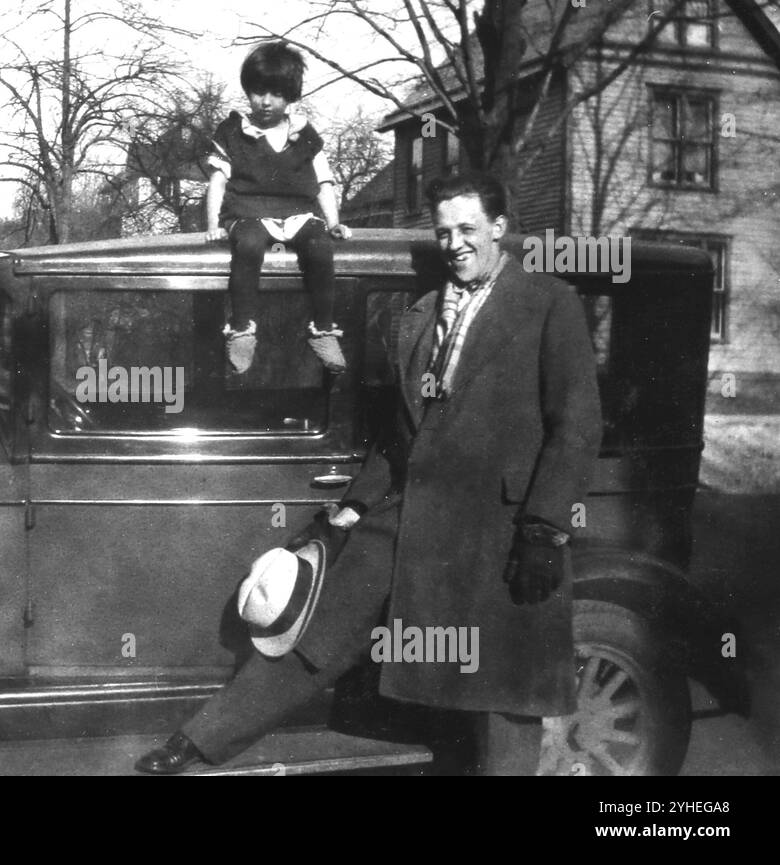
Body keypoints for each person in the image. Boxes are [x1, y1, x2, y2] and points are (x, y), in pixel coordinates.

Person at [136, 171, 603, 776]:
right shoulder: (419, 314)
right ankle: (197, 745)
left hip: (500, 528)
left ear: (499, 229)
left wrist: (544, 528)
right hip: (407, 517)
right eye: (443, 232)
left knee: (503, 693)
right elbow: (404, 434)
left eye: (468, 228)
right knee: (314, 635)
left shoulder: (548, 304)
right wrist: (349, 511)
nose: (455, 243)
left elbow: (577, 424)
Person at [206, 41, 352, 375]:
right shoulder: (233, 132)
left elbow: (324, 182)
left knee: (318, 246)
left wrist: (334, 222)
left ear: (290, 95)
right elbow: (217, 182)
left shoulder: (305, 135)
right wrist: (214, 223)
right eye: (258, 92)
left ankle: (324, 330)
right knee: (250, 244)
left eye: (276, 93)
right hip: (247, 211)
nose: (266, 101)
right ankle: (242, 329)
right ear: (248, 91)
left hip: (297, 213)